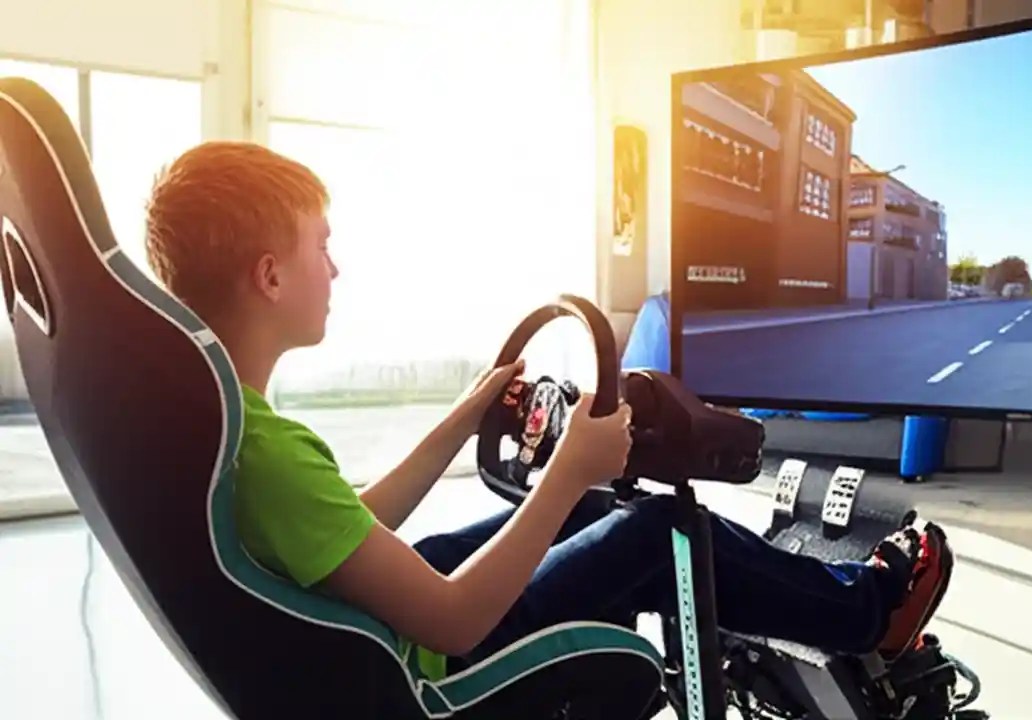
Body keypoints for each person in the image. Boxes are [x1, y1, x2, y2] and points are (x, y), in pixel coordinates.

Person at [143, 140, 952, 681]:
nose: (337, 266)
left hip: (363, 630)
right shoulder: (274, 452)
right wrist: (564, 471)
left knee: (588, 510)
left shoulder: (238, 432)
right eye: (320, 245)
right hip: (432, 665)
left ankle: (824, 601)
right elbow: (457, 622)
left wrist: (465, 419)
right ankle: (868, 614)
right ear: (270, 277)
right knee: (654, 530)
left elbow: (349, 521)